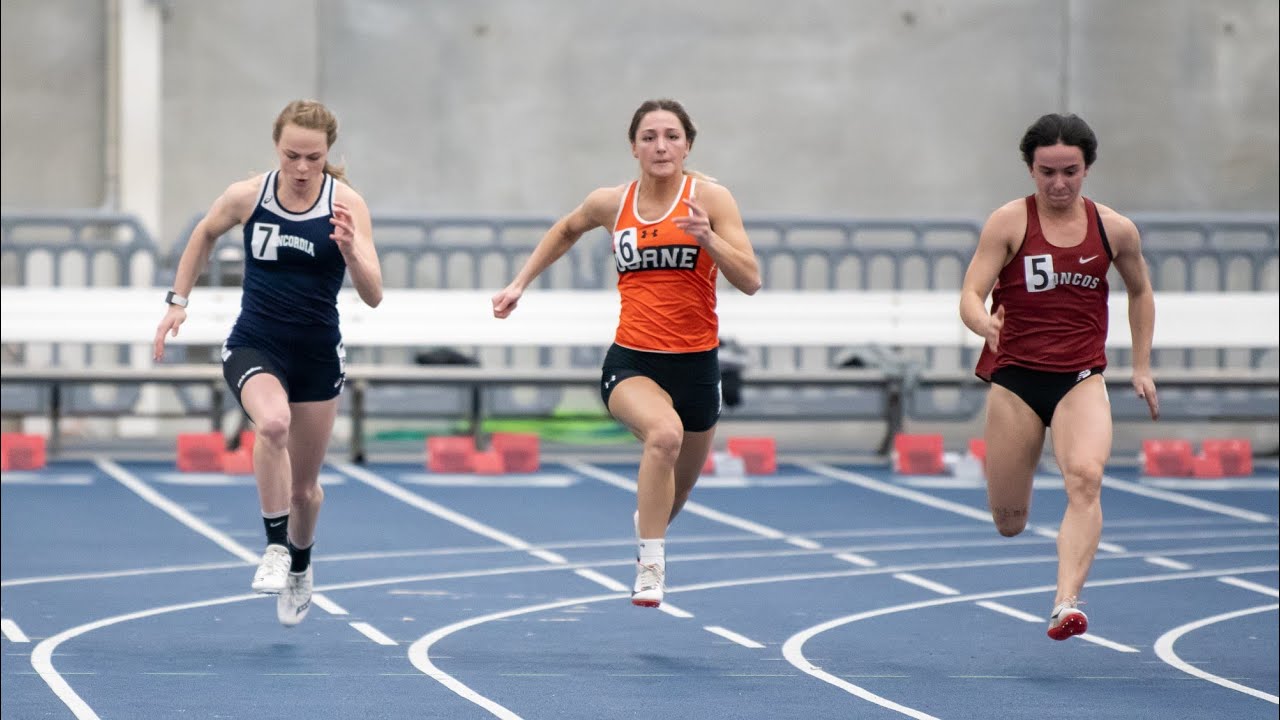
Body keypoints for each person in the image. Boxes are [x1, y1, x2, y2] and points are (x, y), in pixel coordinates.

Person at [492, 98, 761, 608]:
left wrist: (709, 239)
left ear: (687, 145)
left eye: (672, 136)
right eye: (649, 137)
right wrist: (519, 284)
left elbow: (750, 280)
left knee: (674, 496)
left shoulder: (712, 200)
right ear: (634, 146)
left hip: (698, 365)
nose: (661, 146)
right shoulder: (612, 202)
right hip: (633, 362)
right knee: (664, 435)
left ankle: (650, 525)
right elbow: (567, 228)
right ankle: (652, 566)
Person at [153, 99, 383, 626]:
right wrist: (177, 303)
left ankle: (301, 564)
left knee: (305, 490)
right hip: (255, 342)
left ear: (328, 154)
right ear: (276, 147)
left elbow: (373, 295)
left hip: (318, 353)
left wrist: (350, 250)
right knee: (272, 423)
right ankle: (276, 547)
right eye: (292, 156)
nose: (302, 169)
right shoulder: (249, 196)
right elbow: (204, 233)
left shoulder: (345, 204)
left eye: (314, 158)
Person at [959, 113, 1158, 641]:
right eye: (1047, 172)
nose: (1059, 183)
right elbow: (970, 293)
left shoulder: (1113, 228)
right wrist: (983, 321)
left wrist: (1140, 365)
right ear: (1030, 169)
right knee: (1009, 521)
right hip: (1016, 378)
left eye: (1069, 171)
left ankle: (1065, 602)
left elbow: (1140, 290)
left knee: (1086, 478)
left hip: (1080, 378)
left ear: (1087, 168)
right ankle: (1021, 525)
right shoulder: (1008, 222)